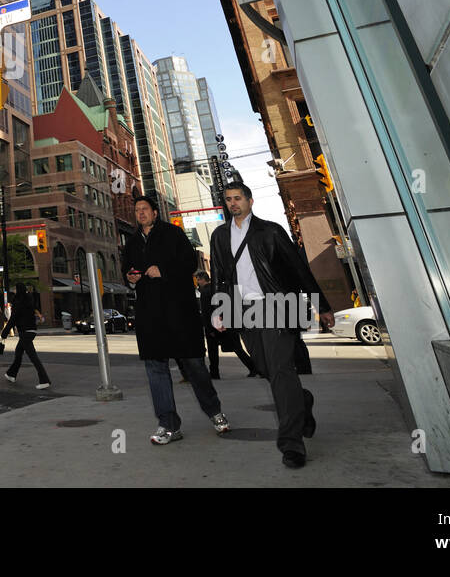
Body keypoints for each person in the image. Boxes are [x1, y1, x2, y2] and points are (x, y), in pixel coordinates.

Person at [209, 181, 334, 469]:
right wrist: (218, 309)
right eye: (228, 199)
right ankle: (302, 402)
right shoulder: (219, 236)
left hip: (277, 306)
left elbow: (299, 269)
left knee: (279, 371)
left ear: (250, 201)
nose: (233, 203)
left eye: (238, 198)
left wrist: (322, 306)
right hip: (242, 310)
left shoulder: (271, 231)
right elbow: (218, 274)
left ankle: (291, 445)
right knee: (265, 368)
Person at [123, 195, 229, 444]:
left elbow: (190, 262)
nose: (141, 213)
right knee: (156, 369)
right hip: (149, 315)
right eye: (137, 210)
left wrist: (164, 270)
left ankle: (215, 412)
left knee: (194, 366)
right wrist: (130, 277)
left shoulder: (173, 233)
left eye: (145, 209)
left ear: (155, 212)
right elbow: (126, 269)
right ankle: (168, 425)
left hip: (179, 312)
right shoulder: (131, 242)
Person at [194, 270, 257, 379]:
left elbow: (207, 312)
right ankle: (253, 368)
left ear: (201, 279)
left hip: (215, 325)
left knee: (213, 351)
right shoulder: (220, 289)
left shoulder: (205, 292)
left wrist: (210, 329)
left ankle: (214, 373)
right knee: (237, 348)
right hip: (229, 323)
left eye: (197, 280)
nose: (197, 282)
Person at [0, 283, 50, 390]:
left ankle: (44, 380)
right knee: (18, 352)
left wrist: (5, 332)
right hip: (31, 331)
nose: (14, 291)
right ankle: (11, 374)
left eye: (15, 289)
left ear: (18, 290)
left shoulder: (18, 302)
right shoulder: (29, 300)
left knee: (33, 356)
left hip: (25, 332)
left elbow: (13, 319)